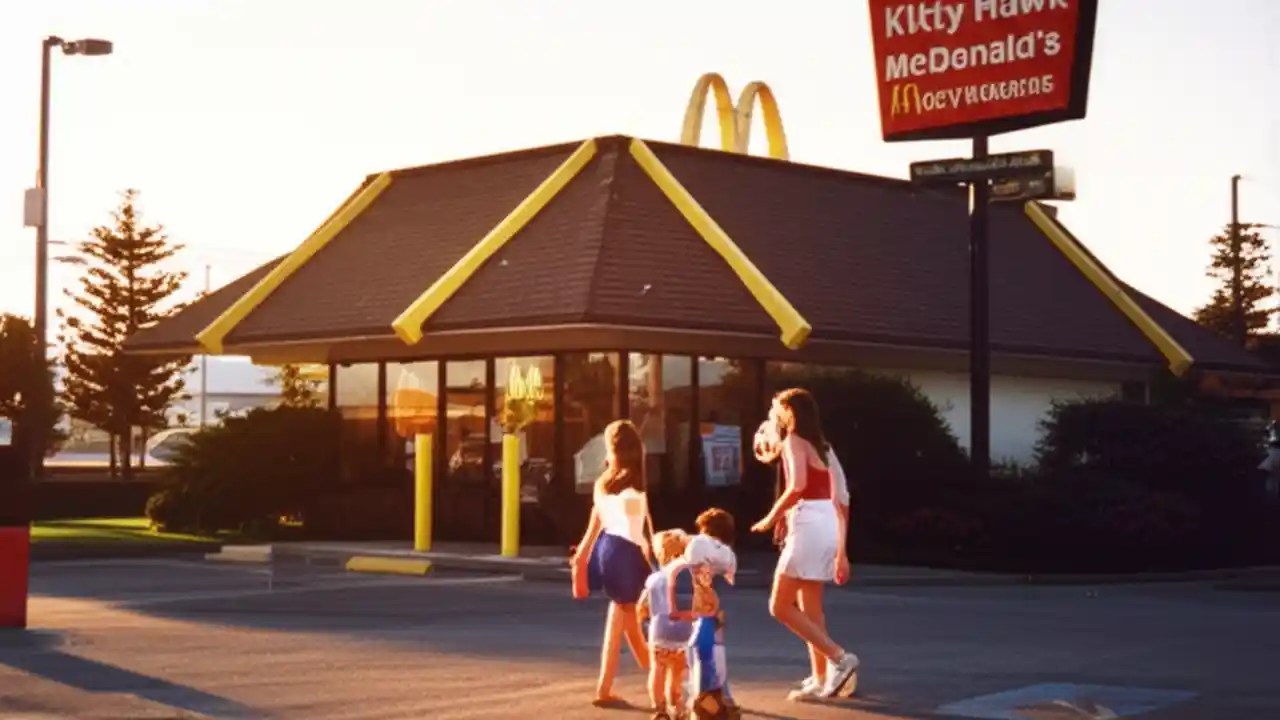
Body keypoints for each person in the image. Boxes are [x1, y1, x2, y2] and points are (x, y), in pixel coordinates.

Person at [750, 388, 859, 700]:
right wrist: (842, 549)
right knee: (810, 607)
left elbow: (797, 486)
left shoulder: (794, 441)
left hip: (809, 523)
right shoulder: (823, 446)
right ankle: (821, 675)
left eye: (780, 409)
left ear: (791, 413)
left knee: (779, 605)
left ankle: (839, 659)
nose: (776, 416)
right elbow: (841, 497)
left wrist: (771, 517)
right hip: (825, 522)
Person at [572, 419, 655, 706]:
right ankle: (659, 675)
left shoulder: (602, 484)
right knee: (629, 619)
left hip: (606, 549)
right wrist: (648, 557)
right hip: (625, 553)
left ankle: (607, 686)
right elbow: (635, 530)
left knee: (622, 618)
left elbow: (595, 521)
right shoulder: (634, 490)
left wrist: (583, 554)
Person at [665, 508, 740, 719]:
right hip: (717, 611)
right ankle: (724, 699)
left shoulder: (698, 543)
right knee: (715, 652)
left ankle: (702, 701)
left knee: (698, 651)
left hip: (702, 609)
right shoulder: (728, 554)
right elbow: (729, 578)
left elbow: (690, 561)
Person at [638, 529, 694, 720]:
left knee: (658, 669)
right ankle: (677, 708)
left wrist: (645, 621)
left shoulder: (654, 579)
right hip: (683, 634)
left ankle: (659, 708)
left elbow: (642, 607)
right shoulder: (686, 579)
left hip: (659, 633)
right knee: (676, 676)